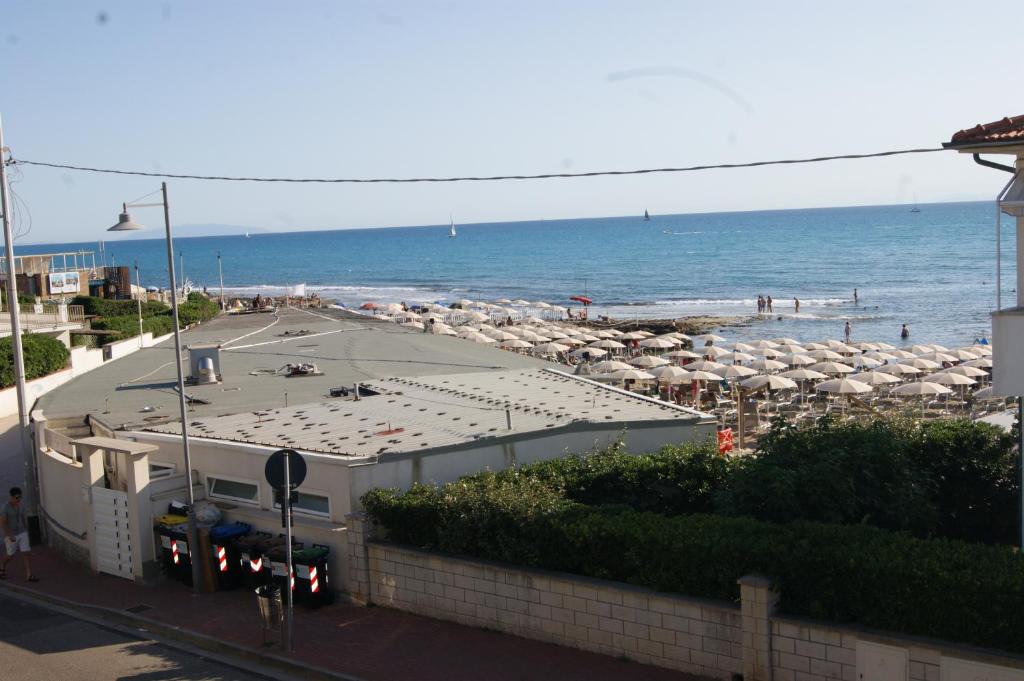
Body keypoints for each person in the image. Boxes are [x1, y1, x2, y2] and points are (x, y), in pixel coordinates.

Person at [1, 487, 36, 582]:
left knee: (26, 553)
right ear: (11, 497)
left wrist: (26, 529)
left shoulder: (20, 505)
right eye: (17, 497)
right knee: (10, 555)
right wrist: (9, 535)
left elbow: (22, 516)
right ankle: (2, 565)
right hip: (11, 535)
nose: (19, 499)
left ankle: (29, 574)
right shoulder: (5, 508)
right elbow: (2, 523)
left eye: (20, 497)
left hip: (22, 532)